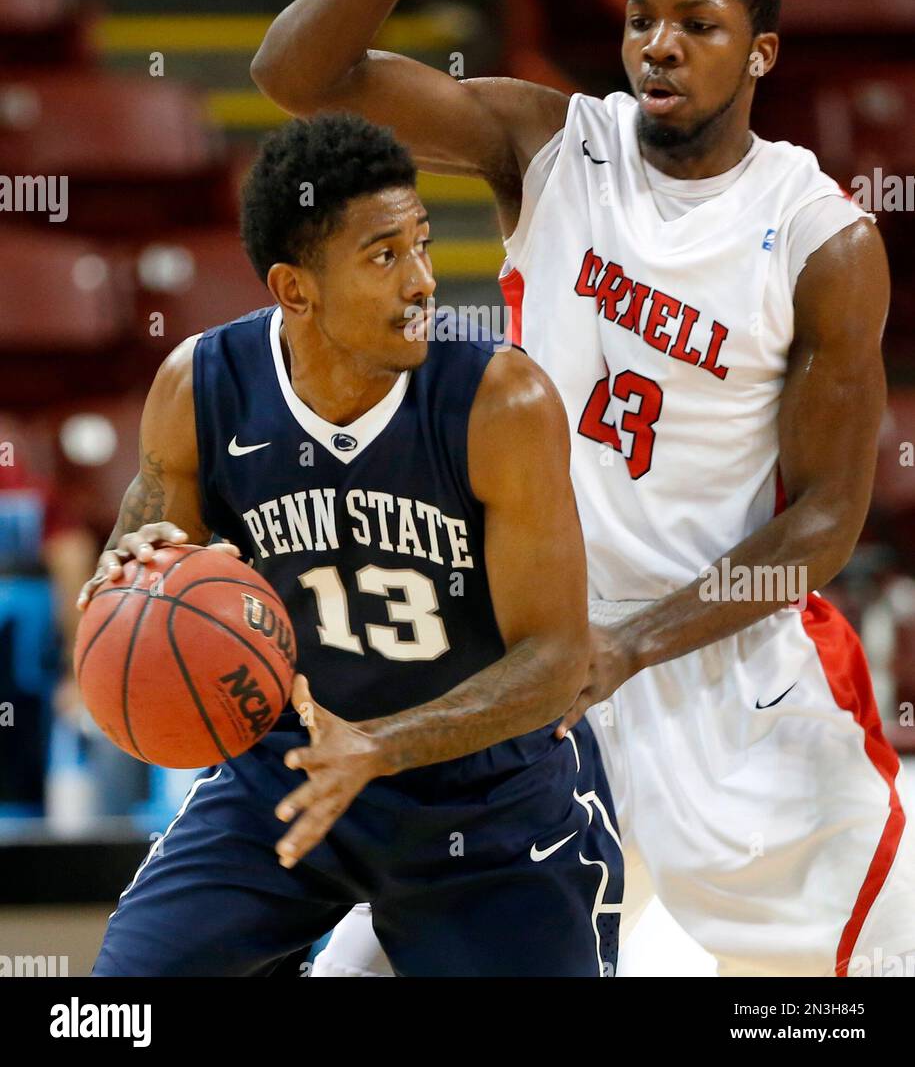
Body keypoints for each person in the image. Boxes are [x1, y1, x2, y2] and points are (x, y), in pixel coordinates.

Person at [251, 0, 915, 977]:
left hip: (723, 680)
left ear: (760, 53)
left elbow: (825, 518)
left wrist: (637, 645)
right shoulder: (553, 143)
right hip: (522, 660)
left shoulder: (821, 238)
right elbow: (295, 79)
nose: (659, 46)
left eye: (698, 27)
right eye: (641, 21)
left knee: (849, 983)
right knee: (364, 970)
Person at [85, 113, 624, 978]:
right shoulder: (201, 387)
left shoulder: (500, 402)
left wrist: (377, 747)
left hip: (484, 796)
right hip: (289, 771)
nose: (423, 281)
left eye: (420, 243)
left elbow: (558, 659)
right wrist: (127, 575)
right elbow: (142, 557)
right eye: (384, 256)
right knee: (124, 1004)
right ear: (295, 290)